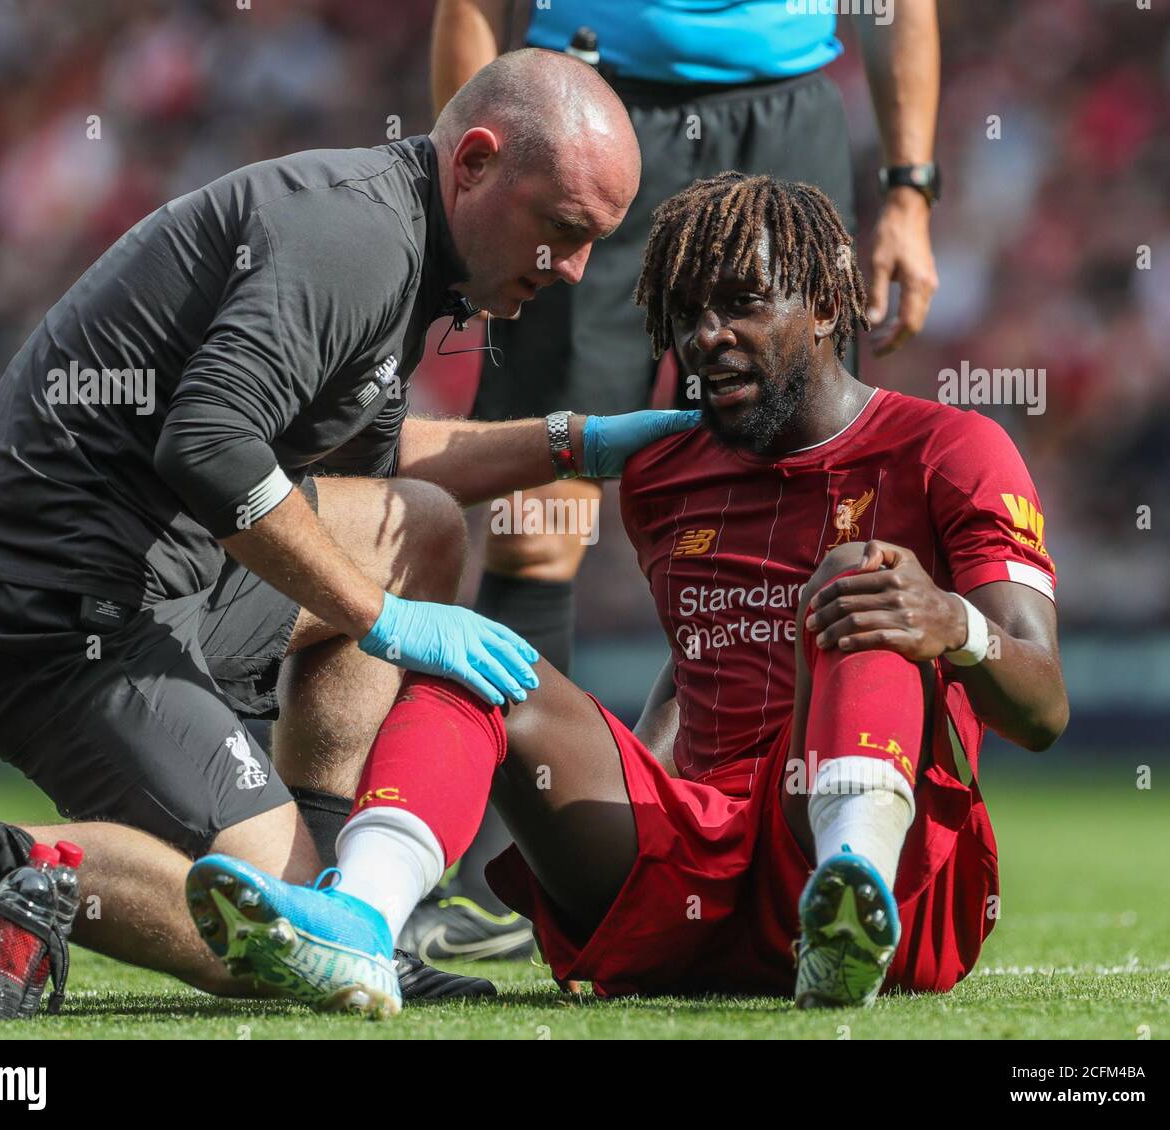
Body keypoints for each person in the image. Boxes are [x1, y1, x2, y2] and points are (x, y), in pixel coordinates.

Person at [184, 174, 1067, 1016]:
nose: (708, 335)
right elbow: (701, 662)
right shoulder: (664, 474)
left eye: (743, 303)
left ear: (827, 307)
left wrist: (957, 625)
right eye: (686, 314)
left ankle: (847, 901)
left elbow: (1044, 709)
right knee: (469, 656)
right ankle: (360, 923)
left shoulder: (953, 448)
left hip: (896, 885)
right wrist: (638, 771)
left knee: (859, 589)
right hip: (697, 877)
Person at [0, 49, 692, 1005]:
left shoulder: (406, 240)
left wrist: (578, 445)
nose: (571, 269)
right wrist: (379, 619)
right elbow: (206, 447)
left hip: (161, 577)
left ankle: (331, 865)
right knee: (292, 944)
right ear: (476, 162)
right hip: (50, 600)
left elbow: (365, 472)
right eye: (562, 229)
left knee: (422, 526)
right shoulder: (353, 236)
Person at [417, 0, 943, 958]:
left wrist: (909, 189)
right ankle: (503, 874)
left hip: (787, 119)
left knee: (807, 493)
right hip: (588, 112)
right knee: (542, 515)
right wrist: (460, 219)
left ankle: (817, 845)